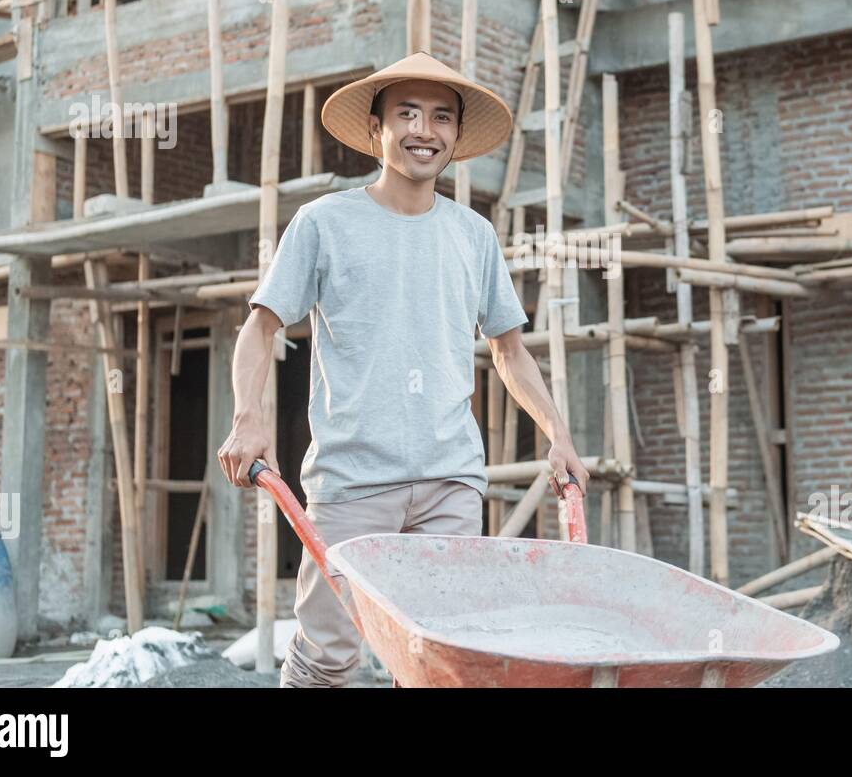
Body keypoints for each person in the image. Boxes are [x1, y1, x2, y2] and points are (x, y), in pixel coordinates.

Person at [216, 51, 589, 687]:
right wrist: (247, 417)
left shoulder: (473, 236)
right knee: (330, 652)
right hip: (353, 479)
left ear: (455, 136)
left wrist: (559, 437)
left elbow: (509, 350)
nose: (425, 129)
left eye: (442, 117)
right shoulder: (325, 223)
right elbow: (261, 326)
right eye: (407, 113)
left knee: (437, 658)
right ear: (376, 130)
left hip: (452, 481)